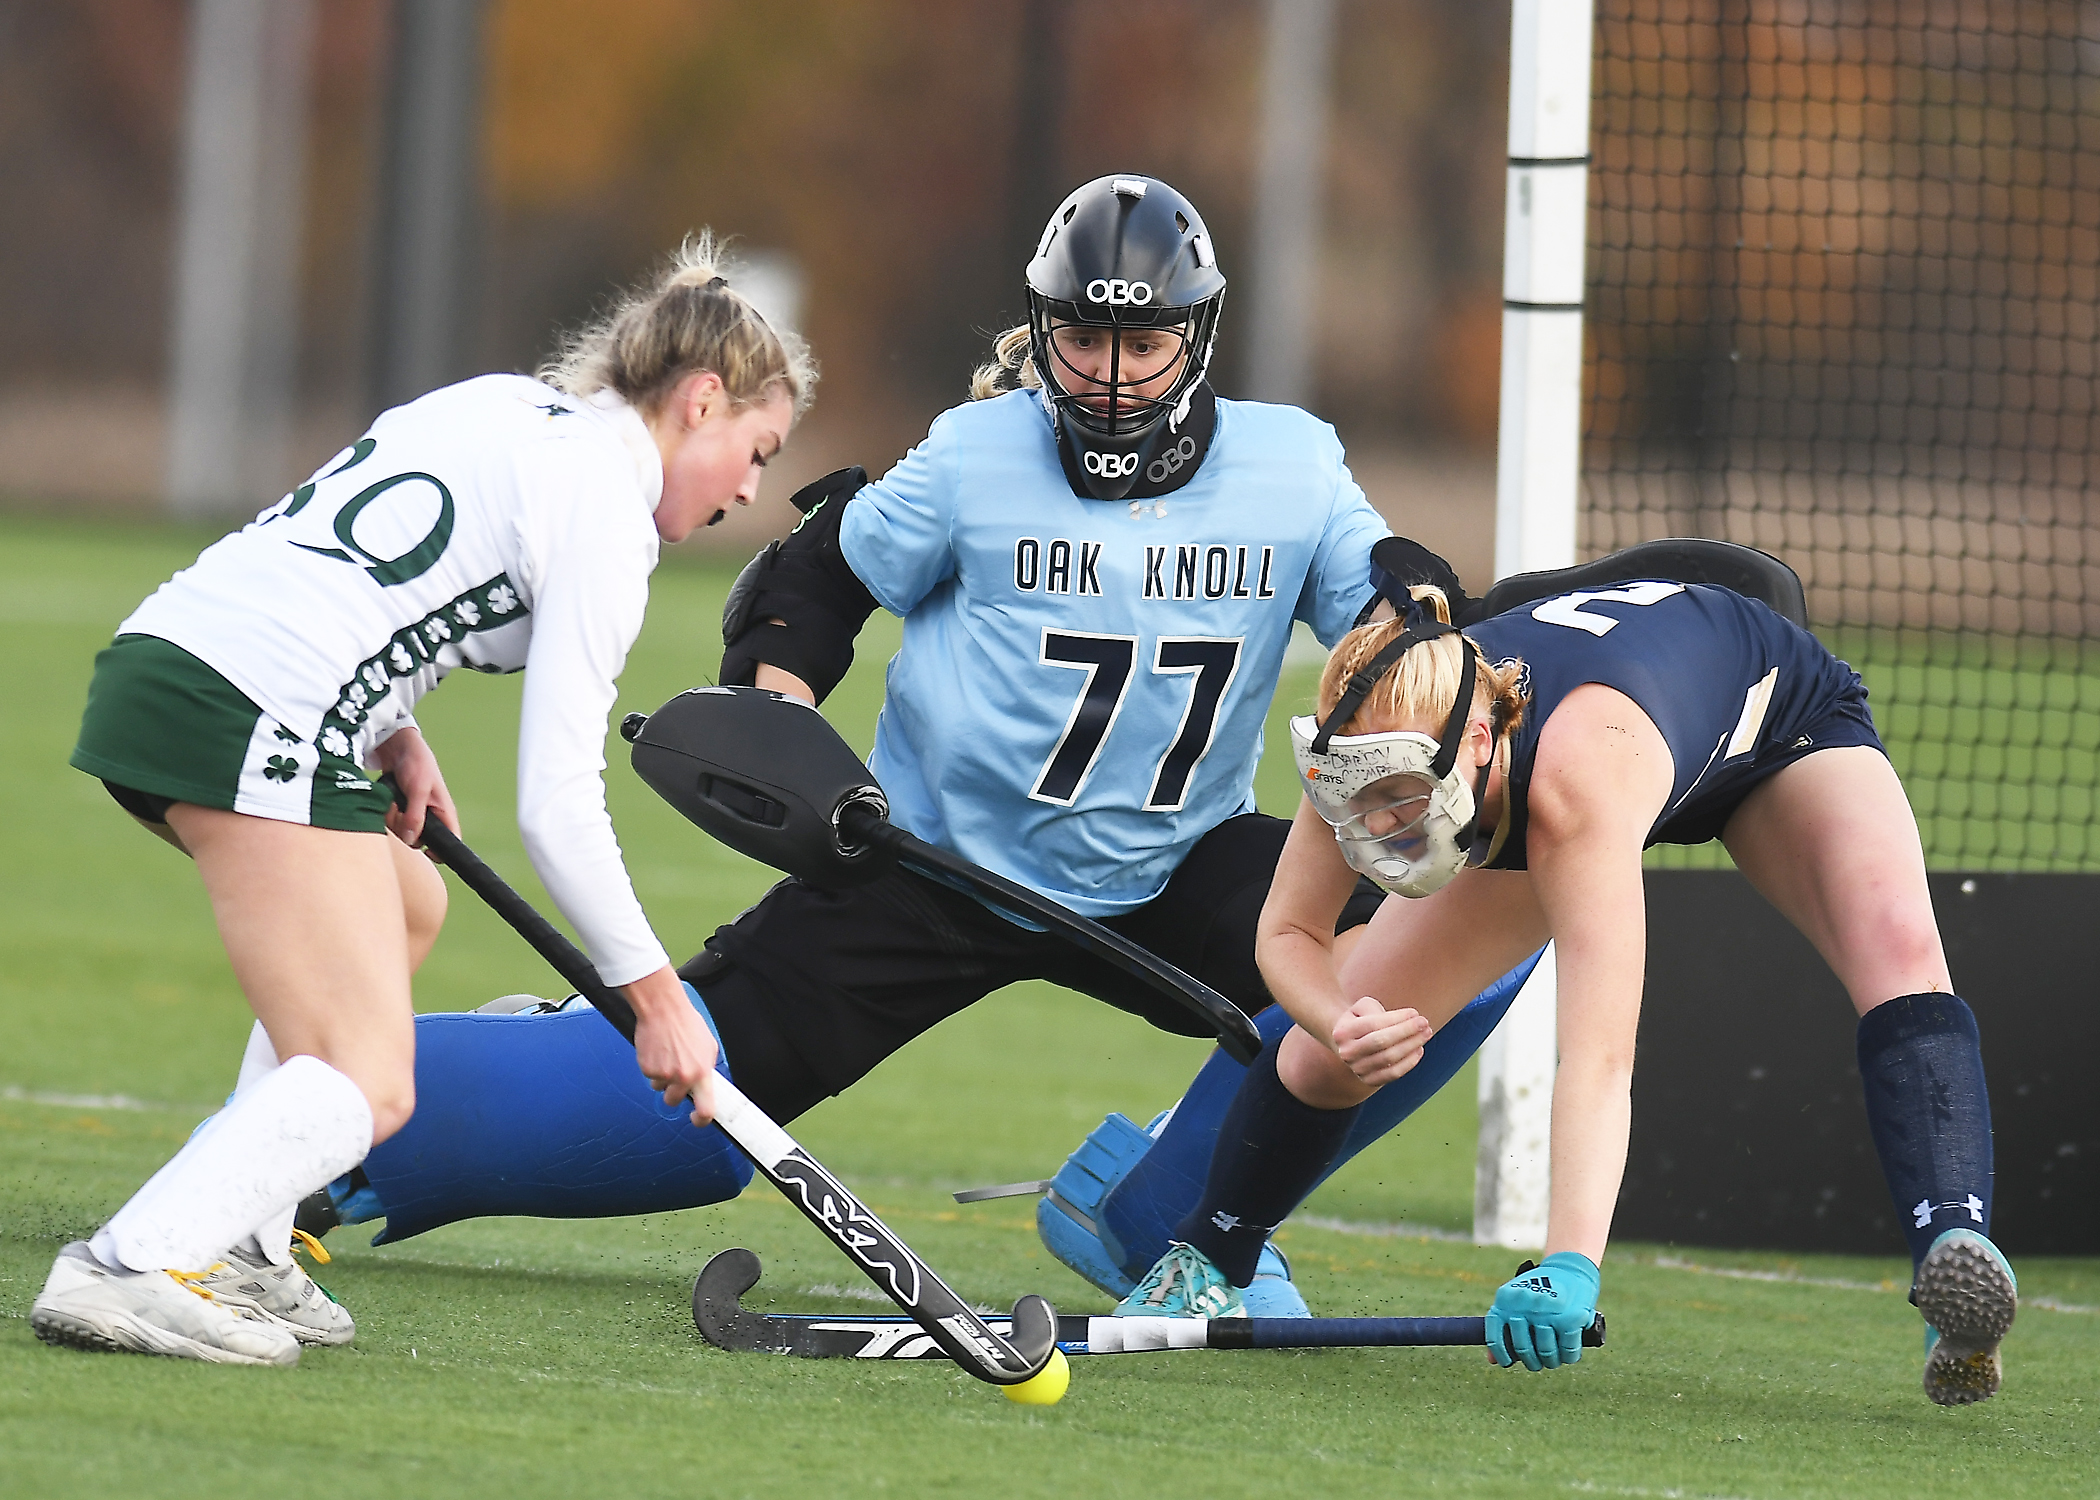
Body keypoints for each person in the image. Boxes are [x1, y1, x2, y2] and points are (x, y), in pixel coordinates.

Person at [319, 172, 1542, 1316]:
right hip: (923, 867)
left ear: (1200, 338)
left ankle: (1176, 1216)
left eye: (1143, 342)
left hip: (1182, 867)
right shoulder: (977, 454)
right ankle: (338, 1125)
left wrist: (1428, 638)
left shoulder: (1293, 466)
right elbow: (812, 578)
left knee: (1466, 938)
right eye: (1084, 339)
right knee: (674, 1134)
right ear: (1041, 330)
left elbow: (1392, 625)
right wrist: (781, 713)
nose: (1112, 376)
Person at [31, 239, 811, 1367]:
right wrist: (658, 1000)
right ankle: (133, 1264)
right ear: (701, 402)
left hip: (176, 663)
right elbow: (555, 801)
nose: (749, 486)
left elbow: (348, 564)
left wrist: (391, 726)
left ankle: (246, 1243)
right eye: (756, 450)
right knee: (367, 1080)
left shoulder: (508, 408)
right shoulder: (606, 512)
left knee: (406, 900)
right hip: (251, 707)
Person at [1117, 579, 2017, 1407]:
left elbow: (1597, 1054)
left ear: (1475, 742)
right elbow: (1288, 935)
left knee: (1900, 952)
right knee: (1320, 1062)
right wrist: (1334, 1016)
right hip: (1568, 756)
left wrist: (1569, 1264)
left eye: (1398, 797)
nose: (1378, 825)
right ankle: (1209, 1256)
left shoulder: (1573, 789)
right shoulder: (1364, 744)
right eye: (1357, 797)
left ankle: (1953, 1247)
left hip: (1771, 724)